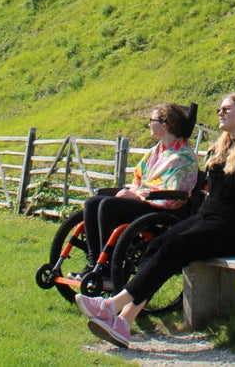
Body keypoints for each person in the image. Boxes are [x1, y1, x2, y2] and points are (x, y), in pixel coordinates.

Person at [75, 93, 235, 348]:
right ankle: (123, 322)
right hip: (207, 217)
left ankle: (111, 306)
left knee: (177, 247)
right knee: (156, 245)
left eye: (227, 109)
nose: (220, 112)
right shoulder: (220, 147)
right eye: (219, 109)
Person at [75, 102, 198, 281]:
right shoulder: (155, 151)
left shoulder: (183, 157)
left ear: (165, 125)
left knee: (108, 206)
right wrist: (133, 192)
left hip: (164, 209)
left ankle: (108, 269)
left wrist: (137, 196)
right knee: (93, 202)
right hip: (147, 202)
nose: (149, 124)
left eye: (152, 120)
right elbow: (139, 179)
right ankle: (96, 264)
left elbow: (172, 195)